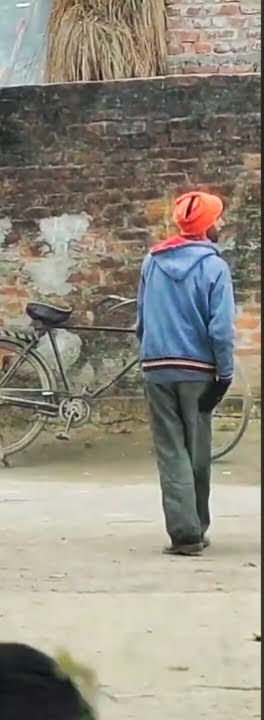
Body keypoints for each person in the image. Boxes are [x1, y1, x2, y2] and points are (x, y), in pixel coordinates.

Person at [136, 190, 236, 557]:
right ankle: (195, 528)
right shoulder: (215, 268)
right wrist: (224, 375)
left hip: (157, 368)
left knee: (170, 450)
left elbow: (141, 319)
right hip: (198, 371)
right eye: (218, 219)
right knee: (196, 451)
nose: (221, 224)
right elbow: (222, 330)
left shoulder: (152, 261)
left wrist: (147, 355)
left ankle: (185, 532)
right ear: (206, 226)